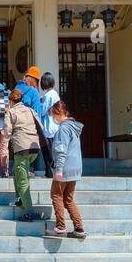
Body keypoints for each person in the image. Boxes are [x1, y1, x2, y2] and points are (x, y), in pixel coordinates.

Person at [47, 99, 86, 239]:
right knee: (68, 199)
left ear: (59, 113)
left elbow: (61, 150)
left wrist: (58, 169)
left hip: (64, 169)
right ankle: (79, 228)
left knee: (56, 195)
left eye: (53, 116)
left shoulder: (63, 129)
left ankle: (60, 227)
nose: (53, 119)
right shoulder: (74, 128)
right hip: (75, 169)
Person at [2, 87, 41, 222]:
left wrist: (5, 144)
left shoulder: (11, 112)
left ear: (11, 101)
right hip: (35, 148)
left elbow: (6, 131)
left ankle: (28, 211)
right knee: (17, 171)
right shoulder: (30, 110)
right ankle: (20, 199)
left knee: (23, 180)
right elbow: (39, 124)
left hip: (22, 148)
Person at [38, 71, 60, 179]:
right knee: (51, 149)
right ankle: (49, 172)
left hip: (47, 126)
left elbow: (42, 111)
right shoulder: (55, 94)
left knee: (47, 151)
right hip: (55, 125)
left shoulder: (47, 96)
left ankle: (50, 171)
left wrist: (40, 102)